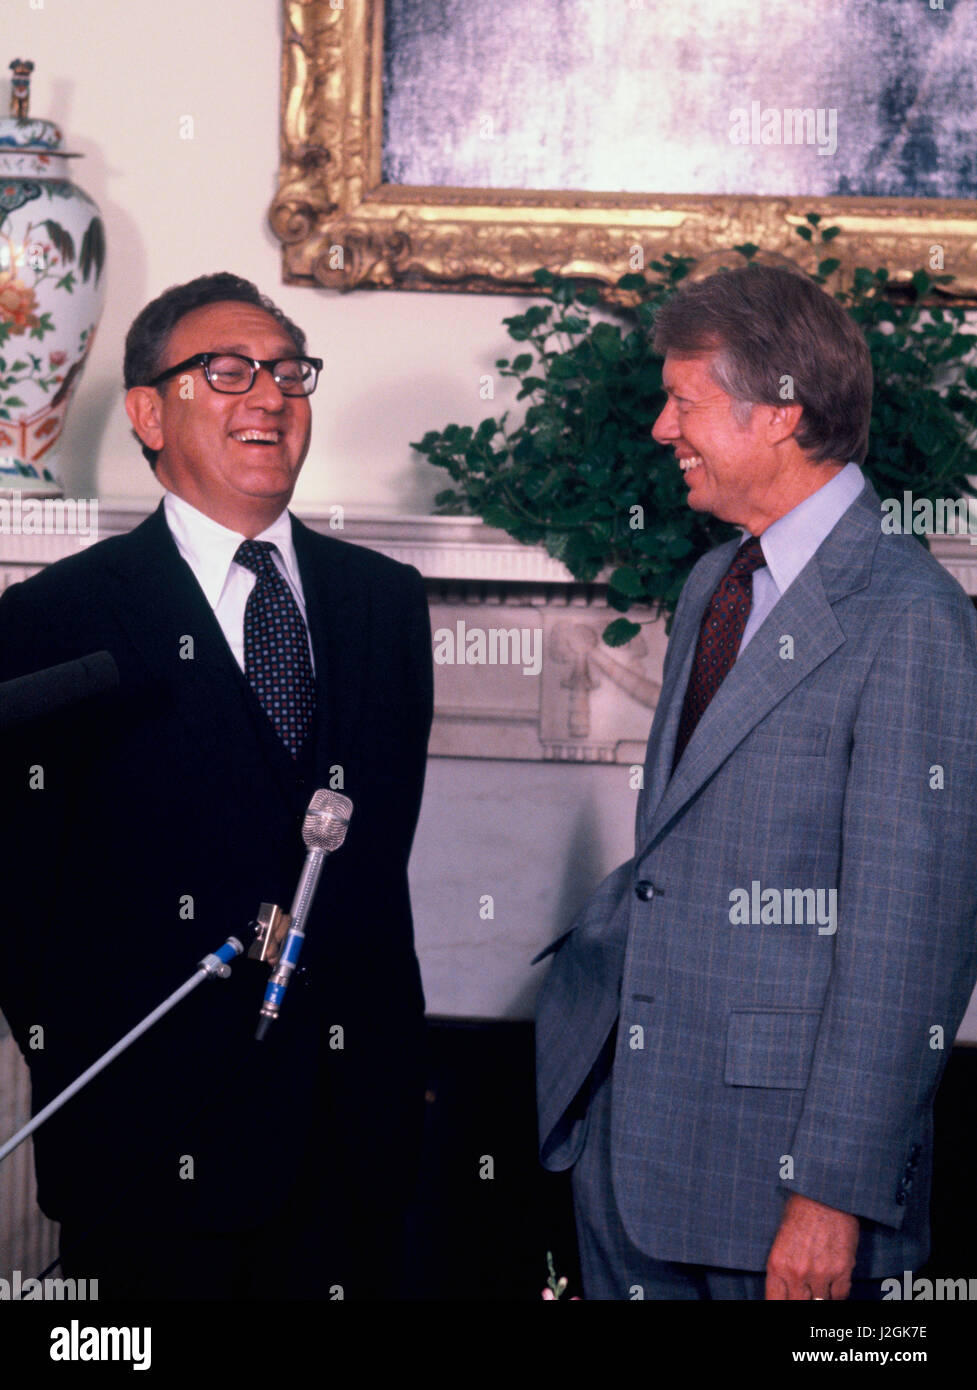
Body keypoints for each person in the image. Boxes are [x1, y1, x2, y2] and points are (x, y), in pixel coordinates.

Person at [534, 262, 977, 1301]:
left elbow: (907, 951)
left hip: (783, 1192)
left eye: (682, 401)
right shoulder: (713, 580)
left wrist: (831, 1196)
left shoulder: (911, 619)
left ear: (778, 412)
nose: (657, 427)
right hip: (633, 1156)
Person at [0, 272, 433, 1299]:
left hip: (347, 1149)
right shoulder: (55, 618)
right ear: (149, 410)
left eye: (288, 371)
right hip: (147, 1155)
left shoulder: (386, 604)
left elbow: (373, 871)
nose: (269, 395)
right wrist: (107, 1080)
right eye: (227, 370)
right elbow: (16, 900)